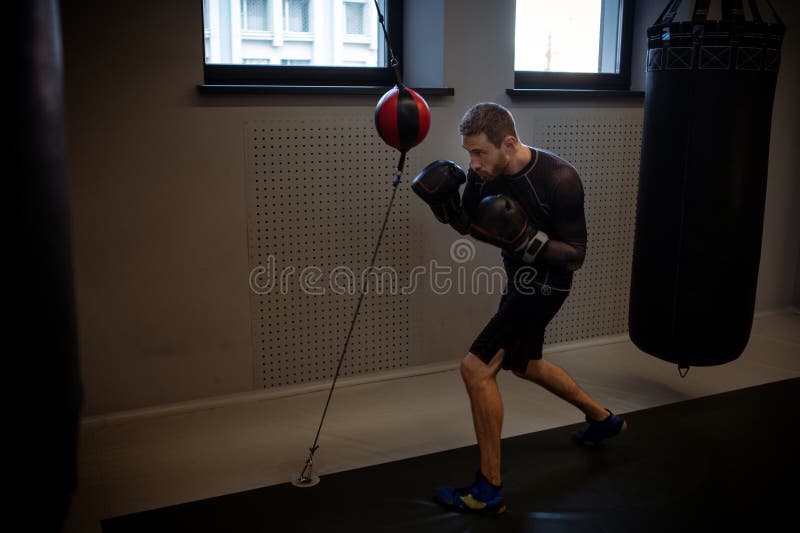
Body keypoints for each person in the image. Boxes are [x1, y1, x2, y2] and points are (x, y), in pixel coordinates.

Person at [411, 102, 627, 515]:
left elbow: (576, 256)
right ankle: (603, 420)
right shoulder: (482, 176)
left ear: (508, 144)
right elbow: (480, 225)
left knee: (476, 368)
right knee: (525, 363)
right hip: (519, 279)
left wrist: (526, 238)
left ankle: (488, 490)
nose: (472, 164)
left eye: (480, 153)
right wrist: (448, 212)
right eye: (468, 153)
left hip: (547, 284)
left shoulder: (560, 179)